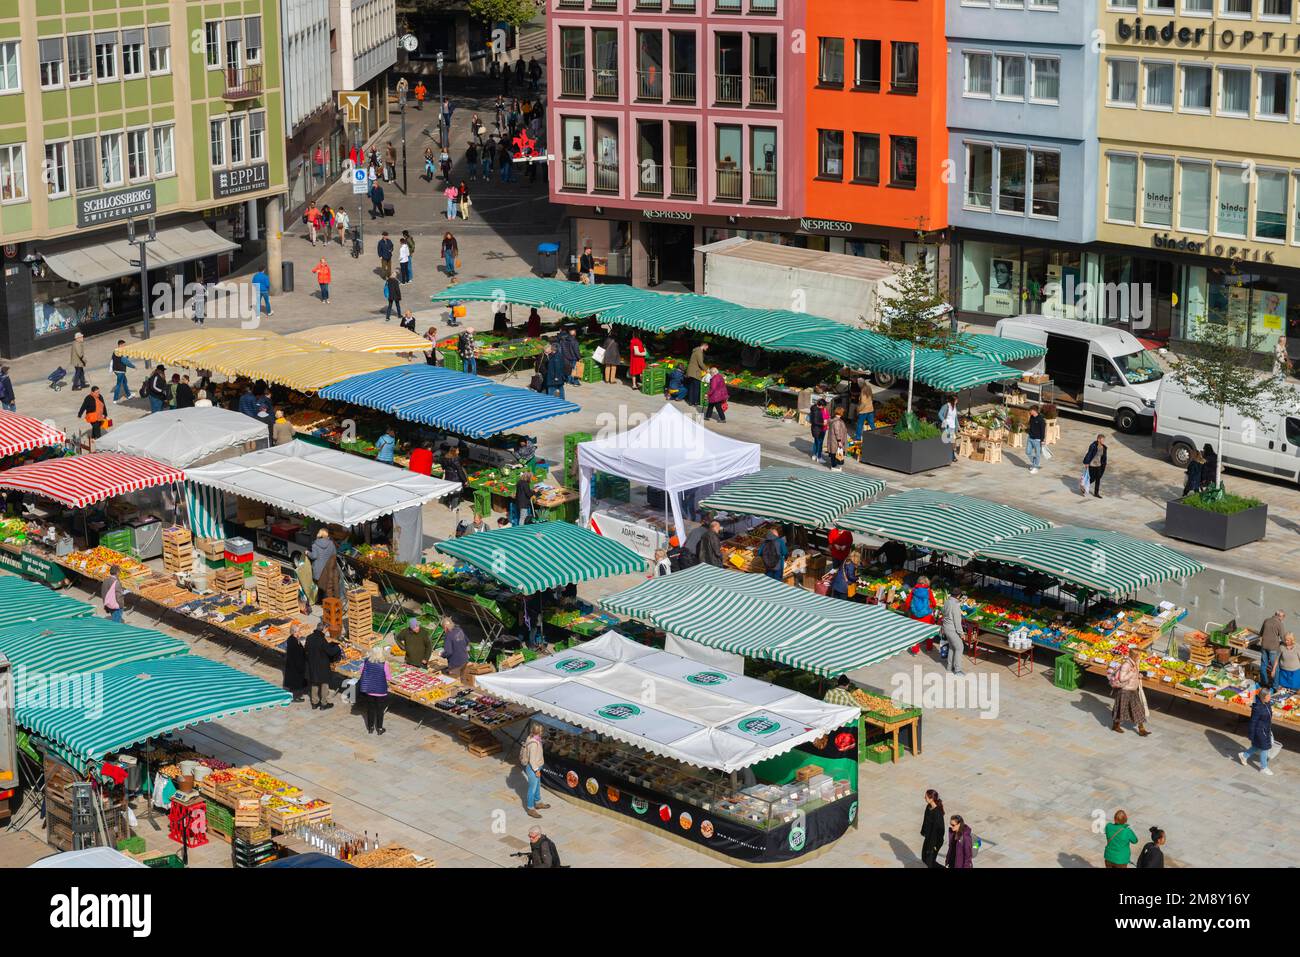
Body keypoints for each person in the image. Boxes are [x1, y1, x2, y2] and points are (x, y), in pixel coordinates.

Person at [1110, 644, 1150, 736]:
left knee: (1138, 709)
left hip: (1133, 689)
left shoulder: (1134, 664)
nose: (1140, 657)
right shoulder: (1126, 665)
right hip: (1125, 690)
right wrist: (1131, 674)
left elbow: (1134, 674)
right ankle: (1115, 725)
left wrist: (1138, 675)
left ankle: (1141, 729)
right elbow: (1122, 679)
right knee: (1121, 709)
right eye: (1139, 655)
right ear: (1135, 656)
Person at [1239, 687, 1275, 775]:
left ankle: (1244, 755)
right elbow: (1253, 721)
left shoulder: (1267, 703)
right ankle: (1263, 767)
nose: (1270, 697)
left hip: (1265, 729)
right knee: (1264, 748)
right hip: (1260, 731)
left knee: (1257, 746)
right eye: (1269, 695)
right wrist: (1251, 734)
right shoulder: (1258, 707)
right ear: (1264, 697)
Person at [304, 625, 340, 710]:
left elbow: (306, 649)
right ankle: (324, 704)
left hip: (312, 664)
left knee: (314, 683)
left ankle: (314, 703)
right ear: (323, 629)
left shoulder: (309, 637)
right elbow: (330, 652)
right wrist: (338, 647)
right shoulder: (322, 640)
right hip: (322, 666)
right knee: (324, 684)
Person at [357, 646, 391, 735]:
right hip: (381, 691)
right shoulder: (385, 664)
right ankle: (379, 728)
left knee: (370, 709)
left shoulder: (367, 661)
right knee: (380, 711)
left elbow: (360, 671)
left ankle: (370, 728)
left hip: (369, 689)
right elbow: (388, 677)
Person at [521, 722, 550, 818]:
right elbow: (532, 760)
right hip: (533, 768)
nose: (542, 732)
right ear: (539, 732)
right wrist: (537, 770)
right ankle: (530, 809)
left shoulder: (531, 737)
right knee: (532, 789)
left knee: (537, 785)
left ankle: (538, 802)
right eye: (541, 731)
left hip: (537, 766)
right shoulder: (533, 744)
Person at [941, 586, 967, 674]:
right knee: (960, 648)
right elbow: (957, 621)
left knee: (952, 647)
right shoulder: (955, 605)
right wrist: (961, 633)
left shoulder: (947, 601)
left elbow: (943, 612)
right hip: (952, 629)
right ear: (958, 595)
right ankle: (957, 669)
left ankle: (949, 666)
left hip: (946, 627)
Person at [1258, 610, 1286, 689]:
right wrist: (1288, 644)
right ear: (1281, 616)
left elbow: (1261, 633)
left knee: (1263, 665)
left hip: (1264, 646)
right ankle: (1275, 686)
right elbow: (1283, 638)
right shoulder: (1279, 623)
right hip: (1273, 648)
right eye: (1283, 617)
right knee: (1275, 667)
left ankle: (1264, 683)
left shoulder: (1266, 620)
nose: (1283, 619)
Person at [283, 624, 309, 701]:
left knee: (295, 681)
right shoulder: (293, 642)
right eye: (298, 631)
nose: (299, 632)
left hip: (293, 664)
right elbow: (298, 653)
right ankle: (296, 697)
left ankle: (295, 695)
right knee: (296, 682)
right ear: (294, 632)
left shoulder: (291, 639)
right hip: (295, 665)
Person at [921, 790, 946, 869]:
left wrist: (933, 845)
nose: (924, 797)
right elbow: (925, 820)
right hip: (928, 838)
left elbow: (940, 830)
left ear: (931, 798)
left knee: (930, 862)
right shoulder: (928, 807)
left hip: (935, 841)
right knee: (924, 858)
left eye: (926, 796)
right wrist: (924, 831)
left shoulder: (937, 813)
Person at [441, 615, 470, 682]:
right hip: (465, 660)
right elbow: (467, 641)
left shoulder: (448, 636)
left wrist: (442, 654)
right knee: (463, 678)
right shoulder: (459, 630)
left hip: (455, 663)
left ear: (445, 627)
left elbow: (449, 652)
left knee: (454, 682)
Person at [309, 528, 337, 593]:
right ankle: (326, 600)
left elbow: (314, 556)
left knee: (318, 587)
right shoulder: (331, 544)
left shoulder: (315, 544)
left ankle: (319, 600)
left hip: (318, 570)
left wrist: (308, 553)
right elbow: (334, 555)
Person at [1083, 434, 1107, 498]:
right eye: (1102, 440)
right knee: (1091, 478)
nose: (1103, 441)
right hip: (1092, 465)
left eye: (1104, 440)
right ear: (1098, 439)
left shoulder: (1104, 447)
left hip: (1099, 465)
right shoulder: (1093, 446)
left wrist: (1104, 464)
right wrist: (1086, 462)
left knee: (1098, 479)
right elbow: (1089, 454)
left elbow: (1104, 457)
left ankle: (1096, 493)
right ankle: (1084, 486)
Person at [826, 407, 850, 472]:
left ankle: (834, 466)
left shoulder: (834, 420)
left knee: (834, 453)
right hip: (835, 441)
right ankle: (834, 467)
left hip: (833, 440)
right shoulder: (837, 421)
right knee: (835, 454)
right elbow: (837, 432)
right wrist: (839, 441)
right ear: (841, 413)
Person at [938, 394, 959, 461]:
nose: (957, 401)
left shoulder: (954, 407)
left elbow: (955, 418)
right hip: (946, 427)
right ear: (953, 400)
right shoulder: (946, 406)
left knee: (952, 442)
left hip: (952, 427)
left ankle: (952, 456)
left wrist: (958, 426)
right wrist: (944, 421)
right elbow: (940, 414)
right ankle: (950, 456)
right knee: (946, 441)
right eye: (956, 400)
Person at [1026, 405, 1046, 474]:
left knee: (1037, 454)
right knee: (1028, 452)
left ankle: (1036, 467)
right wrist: (1025, 429)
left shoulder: (1041, 420)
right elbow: (1030, 426)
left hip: (1037, 440)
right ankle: (1035, 463)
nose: (1029, 412)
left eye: (1030, 410)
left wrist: (1042, 440)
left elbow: (1043, 430)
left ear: (1034, 411)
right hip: (1030, 438)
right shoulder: (1031, 417)